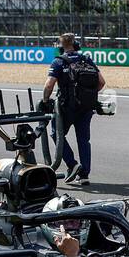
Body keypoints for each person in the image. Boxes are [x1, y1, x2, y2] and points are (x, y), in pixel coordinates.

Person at [41, 32, 105, 187]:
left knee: (57, 135)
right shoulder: (86, 59)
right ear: (75, 44)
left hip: (66, 107)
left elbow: (49, 85)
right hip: (86, 107)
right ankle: (84, 175)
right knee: (84, 140)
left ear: (60, 47)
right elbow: (102, 82)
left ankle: (72, 164)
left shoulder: (58, 62)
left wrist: (44, 100)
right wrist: (87, 96)